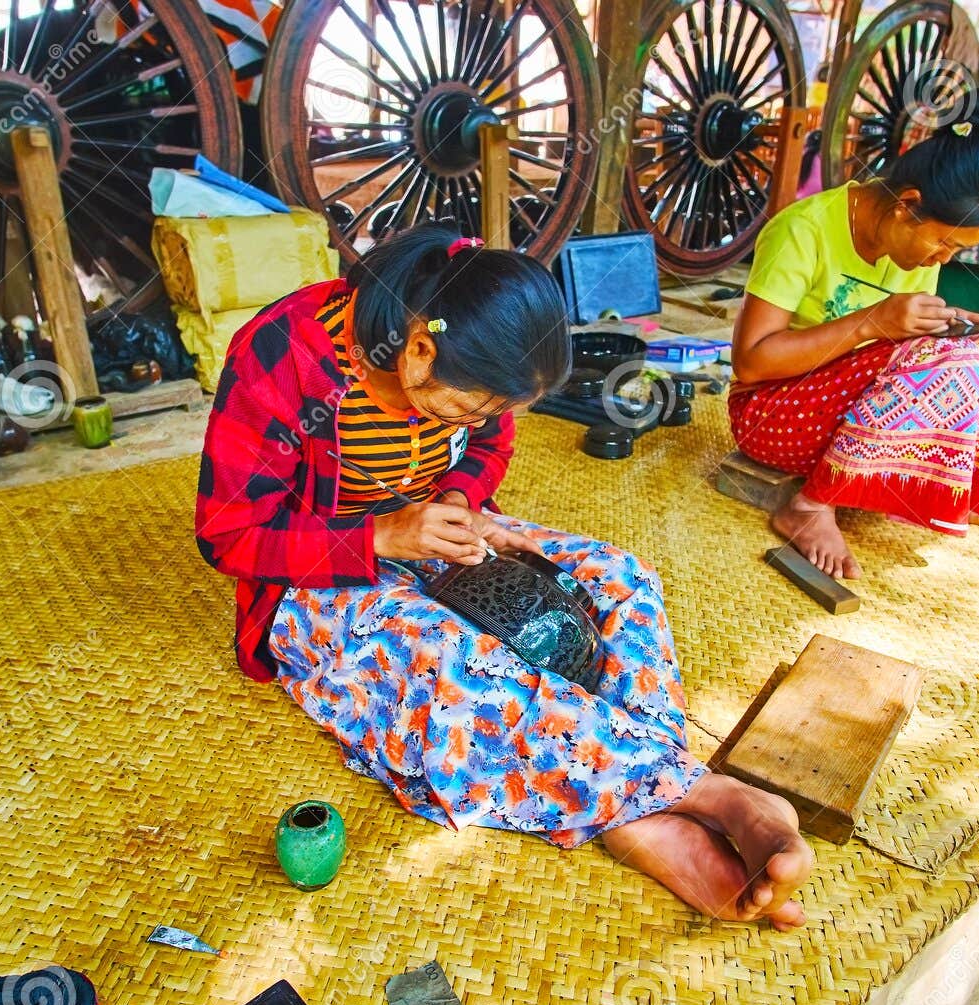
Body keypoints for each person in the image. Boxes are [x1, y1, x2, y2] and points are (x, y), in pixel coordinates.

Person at [195, 223, 815, 927]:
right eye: (472, 406)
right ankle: (694, 794)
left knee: (618, 577)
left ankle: (633, 804)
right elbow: (228, 535)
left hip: (437, 526)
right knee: (459, 659)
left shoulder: (468, 345)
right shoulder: (285, 353)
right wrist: (381, 535)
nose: (483, 421)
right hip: (311, 570)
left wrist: (460, 498)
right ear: (420, 349)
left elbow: (490, 443)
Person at [728, 88, 979, 580]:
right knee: (945, 360)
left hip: (856, 410)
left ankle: (956, 486)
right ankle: (809, 507)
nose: (944, 258)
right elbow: (750, 363)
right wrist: (875, 321)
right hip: (772, 415)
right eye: (944, 242)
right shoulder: (804, 229)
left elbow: (901, 346)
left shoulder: (916, 246)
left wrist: (942, 323)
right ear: (907, 206)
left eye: (957, 250)